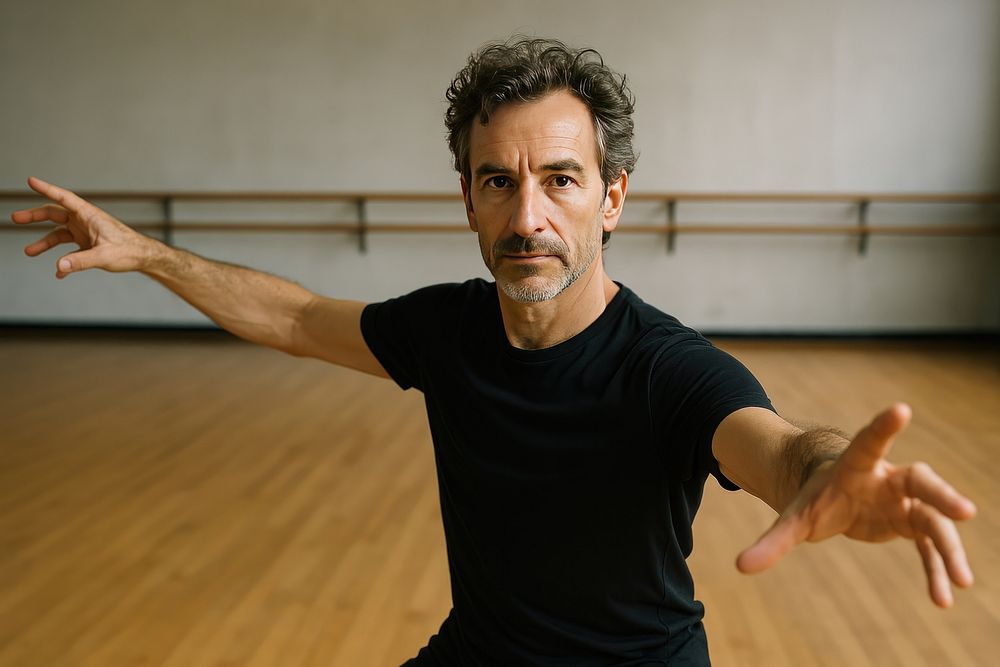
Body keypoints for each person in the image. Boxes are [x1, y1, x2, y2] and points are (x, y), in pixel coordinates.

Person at [11, 37, 977, 666]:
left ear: (612, 197)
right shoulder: (451, 328)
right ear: (465, 197)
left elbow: (768, 442)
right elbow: (299, 319)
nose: (528, 217)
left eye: (561, 179)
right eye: (498, 182)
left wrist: (817, 476)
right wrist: (142, 252)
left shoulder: (669, 370)